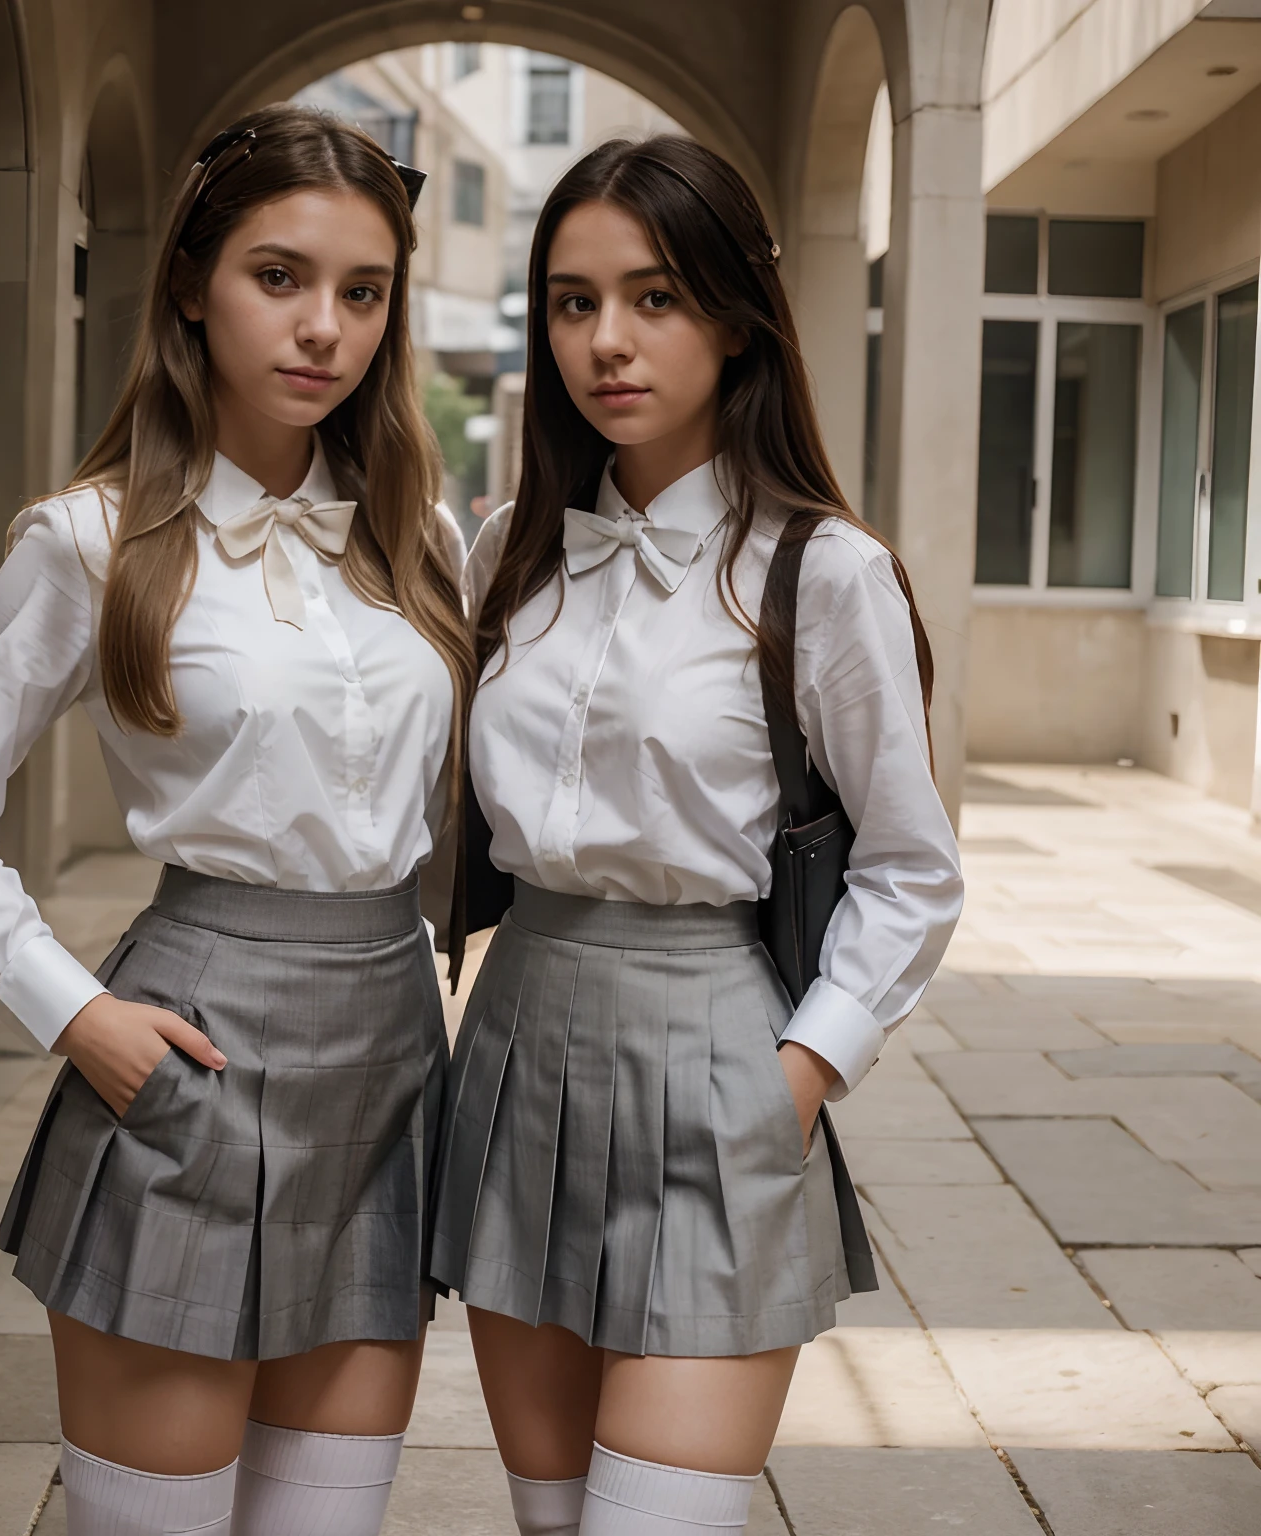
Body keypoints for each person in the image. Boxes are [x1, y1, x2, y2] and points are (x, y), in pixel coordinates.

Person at [0, 104, 473, 1536]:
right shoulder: (90, 540)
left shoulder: (424, 540)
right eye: (280, 276)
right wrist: (74, 1013)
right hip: (191, 1050)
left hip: (389, 1058)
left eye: (363, 292)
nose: (323, 327)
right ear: (196, 282)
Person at [430, 135, 964, 1536]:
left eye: (655, 297)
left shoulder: (824, 572)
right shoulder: (508, 555)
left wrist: (800, 1074)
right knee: (551, 1519)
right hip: (520, 1040)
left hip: (721, 1055)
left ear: (734, 316)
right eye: (571, 301)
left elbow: (913, 870)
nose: (608, 341)